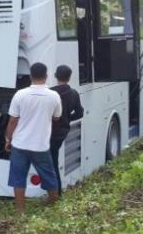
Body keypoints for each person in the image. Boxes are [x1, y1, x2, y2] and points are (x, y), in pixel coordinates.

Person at [5, 63, 62, 214]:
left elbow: (12, 121)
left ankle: (20, 211)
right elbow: (56, 117)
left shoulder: (20, 94)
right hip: (41, 146)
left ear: (30, 76)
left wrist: (8, 140)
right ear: (46, 76)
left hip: (20, 144)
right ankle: (53, 205)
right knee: (49, 175)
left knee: (18, 178)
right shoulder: (54, 96)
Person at [49, 65, 84, 196]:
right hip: (62, 132)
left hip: (49, 132)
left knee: (51, 162)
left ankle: (56, 192)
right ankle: (56, 191)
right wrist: (68, 118)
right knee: (53, 159)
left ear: (55, 76)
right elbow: (80, 113)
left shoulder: (50, 93)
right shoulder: (74, 93)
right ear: (69, 78)